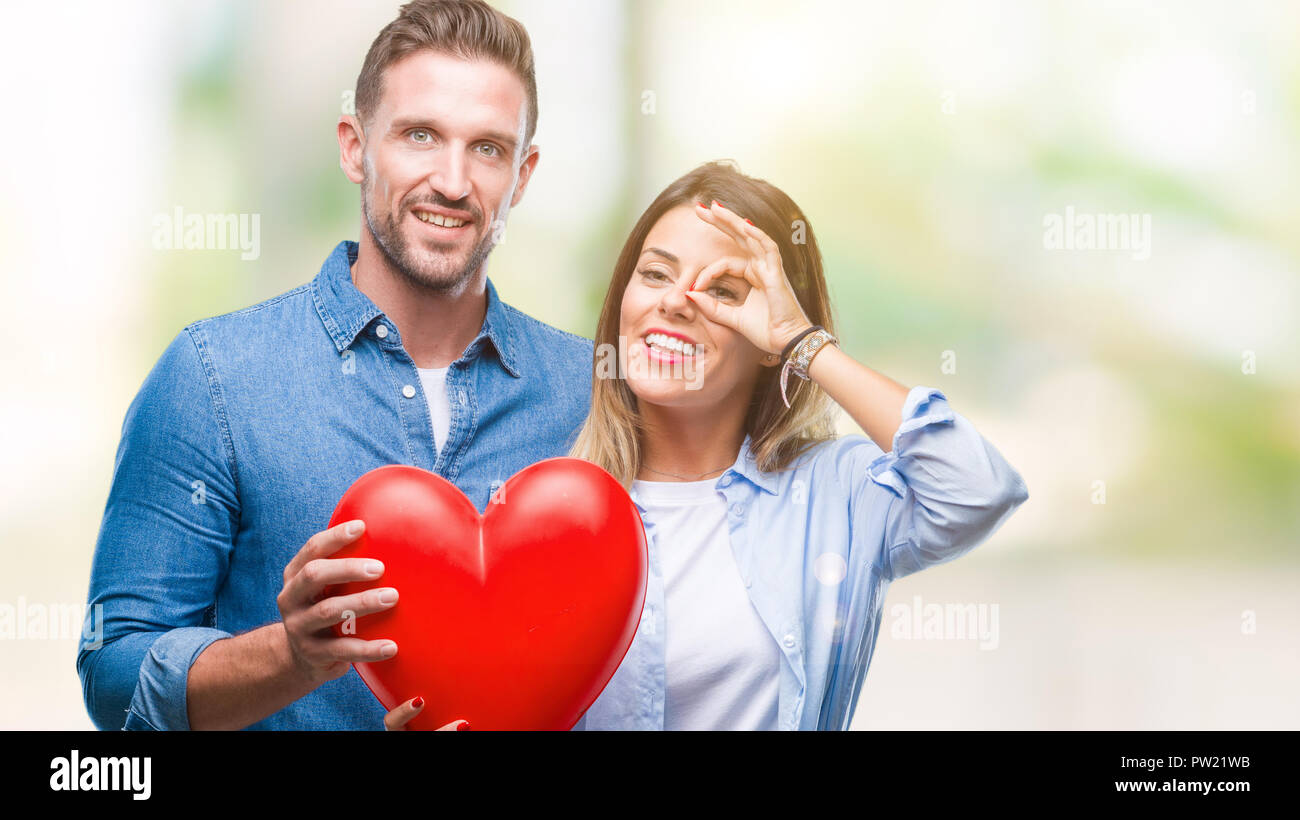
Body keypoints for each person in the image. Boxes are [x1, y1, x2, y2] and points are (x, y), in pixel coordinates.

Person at [76, 0, 588, 730]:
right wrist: (291, 654)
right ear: (354, 147)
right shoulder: (214, 375)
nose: (451, 180)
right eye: (419, 135)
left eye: (487, 149)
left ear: (524, 173)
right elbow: (113, 676)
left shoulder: (586, 395)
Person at [386, 160, 1030, 730]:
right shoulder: (543, 511)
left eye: (724, 292)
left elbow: (978, 488)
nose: (676, 302)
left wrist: (805, 345)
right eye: (656, 274)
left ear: (769, 338)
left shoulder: (837, 496)